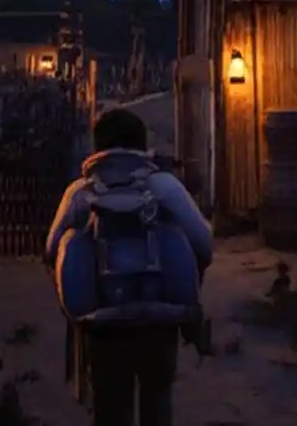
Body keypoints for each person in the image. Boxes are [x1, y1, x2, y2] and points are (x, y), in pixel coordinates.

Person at [44, 108, 214, 426]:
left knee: (110, 407)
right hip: (160, 319)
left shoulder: (80, 192)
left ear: (97, 147)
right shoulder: (164, 185)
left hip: (102, 324)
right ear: (141, 143)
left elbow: (52, 249)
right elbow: (204, 242)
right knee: (157, 402)